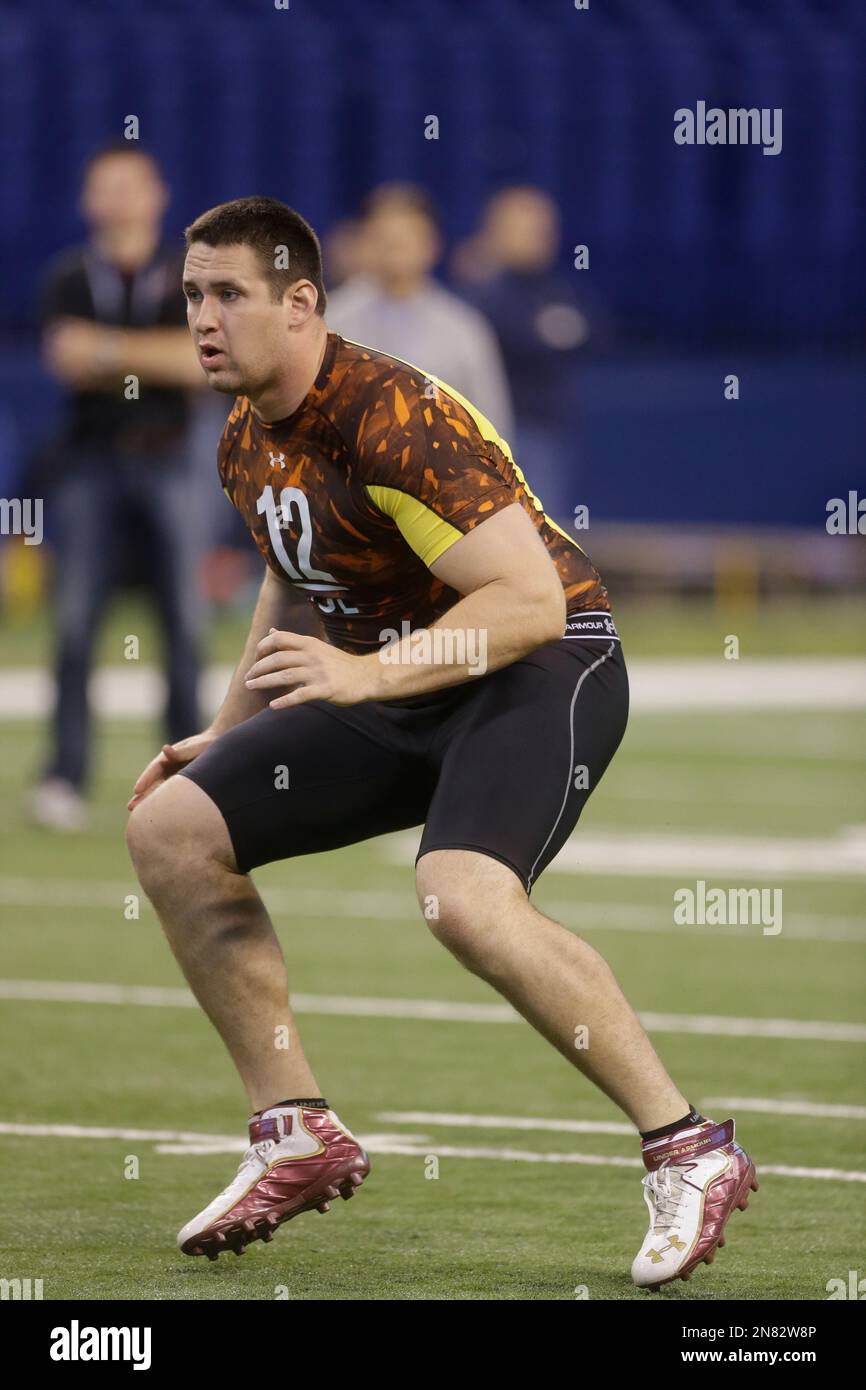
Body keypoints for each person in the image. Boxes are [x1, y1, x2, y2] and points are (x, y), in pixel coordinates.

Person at [125, 196, 756, 1287]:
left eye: (228, 293)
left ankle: (688, 1146)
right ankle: (293, 1130)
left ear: (301, 302)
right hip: (399, 677)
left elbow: (527, 604)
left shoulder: (391, 412)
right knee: (173, 829)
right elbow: (297, 574)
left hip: (539, 662)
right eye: (192, 295)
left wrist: (362, 673)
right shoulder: (244, 432)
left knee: (462, 896)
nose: (202, 318)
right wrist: (222, 732)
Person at [32, 143, 205, 830]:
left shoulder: (187, 274)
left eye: (131, 186)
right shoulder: (69, 276)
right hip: (90, 463)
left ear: (157, 195)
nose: (120, 200)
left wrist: (106, 350)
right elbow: (62, 358)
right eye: (105, 187)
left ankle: (191, 775)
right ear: (87, 200)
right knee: (75, 623)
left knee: (184, 624)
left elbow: (199, 363)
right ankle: (64, 773)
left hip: (172, 461)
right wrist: (150, 357)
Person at [455, 185, 614, 523]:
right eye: (526, 230)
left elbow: (592, 331)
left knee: (542, 529)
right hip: (485, 433)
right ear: (494, 232)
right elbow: (514, 335)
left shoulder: (557, 288)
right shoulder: (477, 292)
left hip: (543, 428)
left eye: (545, 230)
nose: (541, 238)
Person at [326, 183, 514, 437]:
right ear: (364, 242)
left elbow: (492, 423)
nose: (396, 248)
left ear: (432, 244)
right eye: (385, 238)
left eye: (408, 238)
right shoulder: (330, 320)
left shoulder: (462, 328)